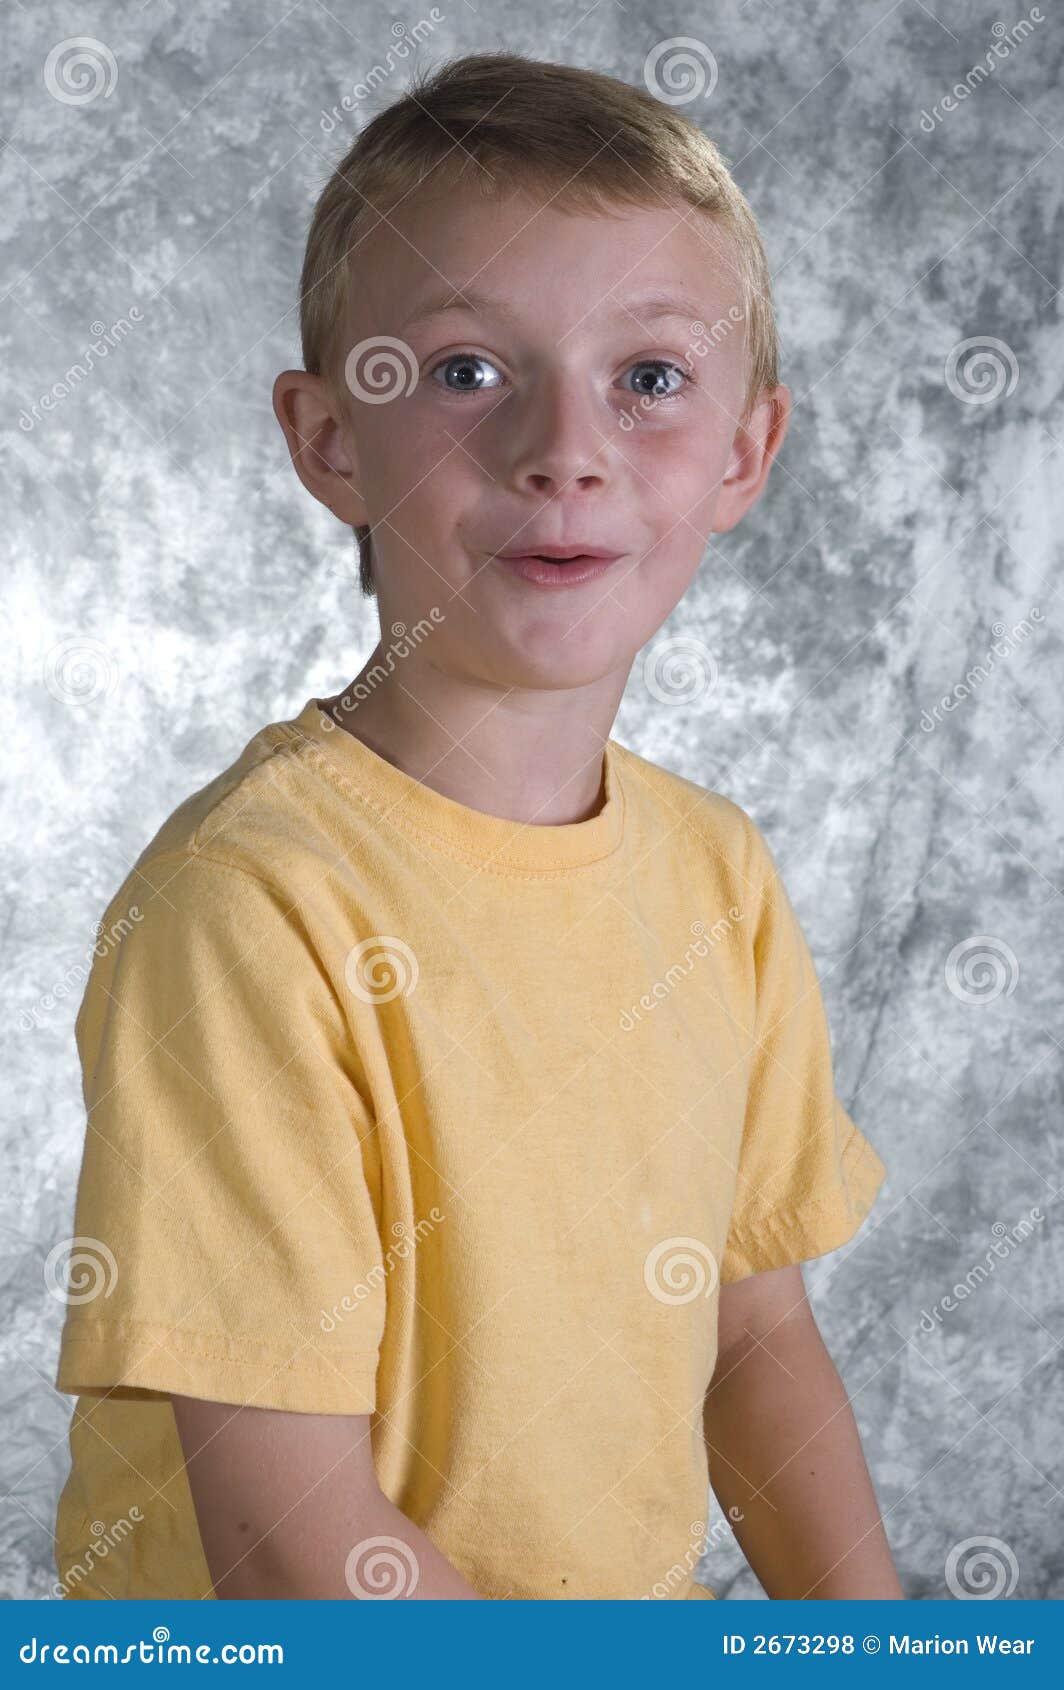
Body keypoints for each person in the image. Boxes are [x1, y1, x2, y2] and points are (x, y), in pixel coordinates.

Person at [53, 50, 900, 1601]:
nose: (562, 448)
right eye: (463, 370)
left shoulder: (719, 876)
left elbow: (755, 1340)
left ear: (743, 454)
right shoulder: (253, 909)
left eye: (648, 377)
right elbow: (291, 1539)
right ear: (327, 442)